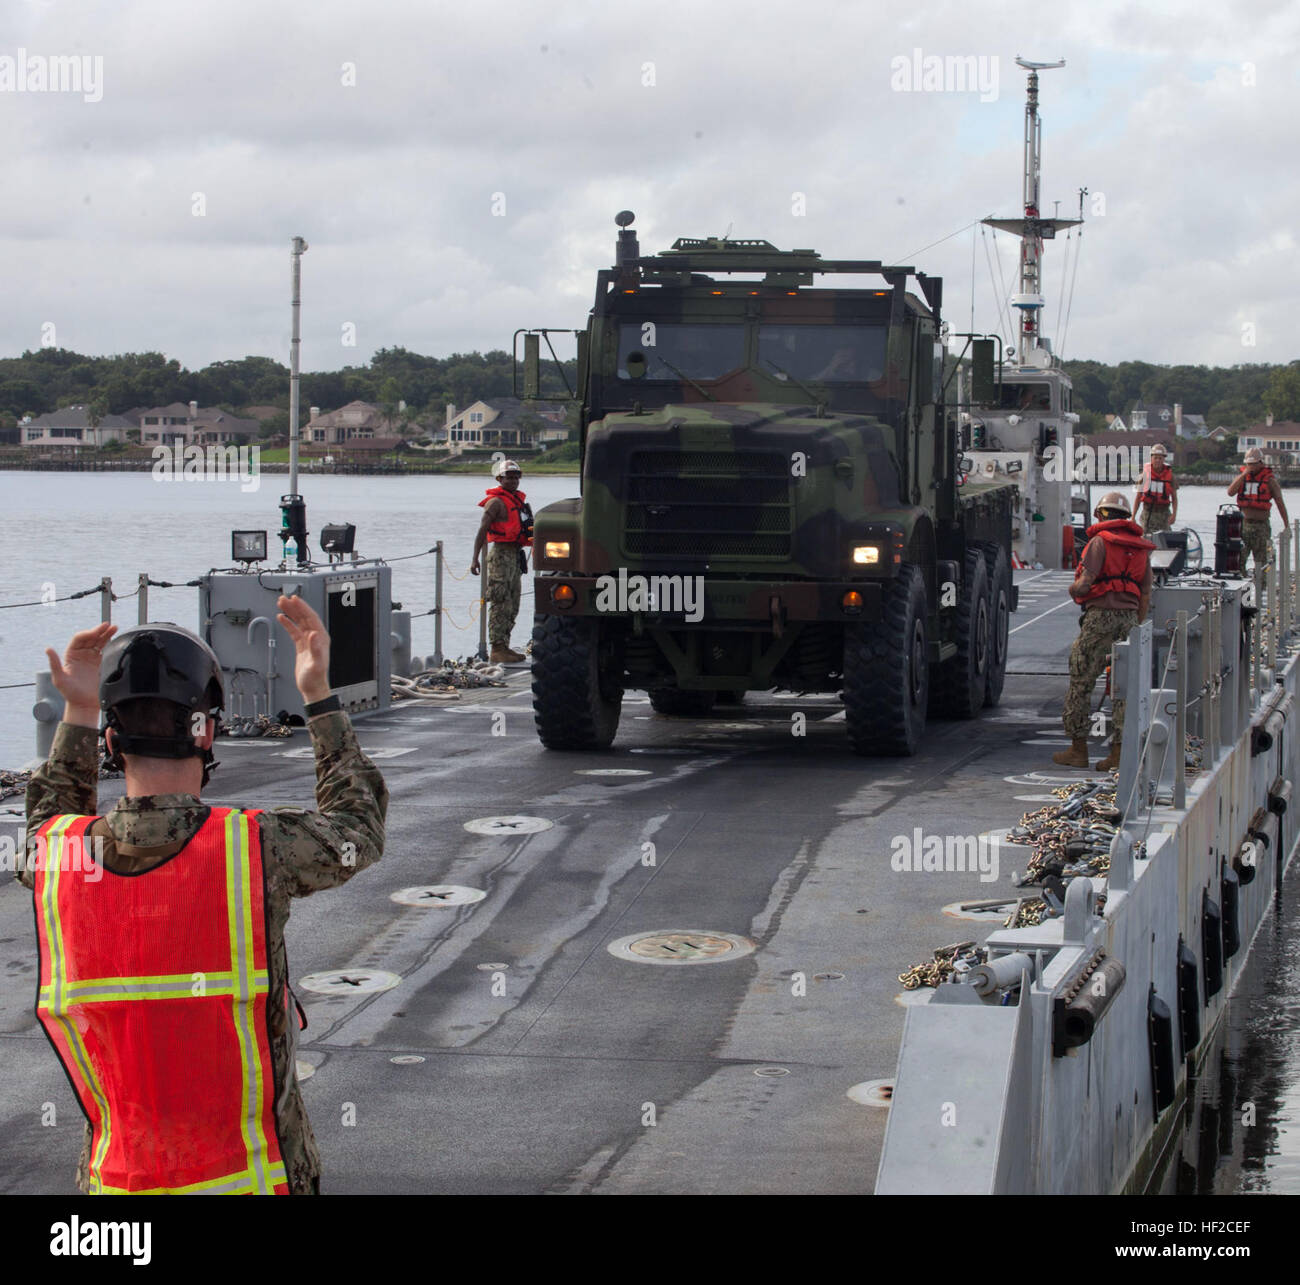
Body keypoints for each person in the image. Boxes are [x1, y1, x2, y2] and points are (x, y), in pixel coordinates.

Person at [22, 598, 387, 1195]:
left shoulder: (61, 856)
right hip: (253, 1179)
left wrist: (79, 710)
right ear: (206, 730)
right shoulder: (255, 846)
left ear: (112, 742)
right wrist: (317, 694)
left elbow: (48, 815)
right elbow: (358, 826)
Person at [1052, 492, 1154, 772]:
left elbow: (1085, 583)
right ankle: (1118, 755)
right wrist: (1134, 623)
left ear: (1101, 515)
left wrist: (1074, 591)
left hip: (1099, 620)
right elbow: (1145, 592)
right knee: (1123, 686)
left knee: (1081, 679)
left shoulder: (1099, 542)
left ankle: (1078, 750)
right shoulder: (1141, 549)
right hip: (1130, 620)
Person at [470, 458, 533, 663]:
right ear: (500, 479)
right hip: (500, 556)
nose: (513, 481)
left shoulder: (518, 501)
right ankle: (497, 648)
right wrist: (475, 559)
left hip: (515, 555)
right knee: (500, 600)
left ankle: (504, 645)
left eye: (516, 477)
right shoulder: (495, 502)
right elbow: (481, 530)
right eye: (509, 477)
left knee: (513, 602)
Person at [1227, 446, 1290, 574]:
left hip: (1261, 526)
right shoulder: (1242, 478)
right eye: (1249, 464)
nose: (1251, 467)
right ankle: (1242, 586)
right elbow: (1230, 492)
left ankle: (1262, 588)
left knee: (1262, 561)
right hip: (1244, 526)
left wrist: (1286, 525)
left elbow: (1280, 503)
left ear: (1261, 463)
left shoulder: (1270, 480)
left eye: (1254, 464)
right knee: (1238, 559)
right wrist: (1244, 474)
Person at [1133, 442, 1178, 535]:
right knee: (1145, 537)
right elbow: (1138, 498)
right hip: (1148, 514)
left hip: (1164, 514)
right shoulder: (1144, 476)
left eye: (1160, 458)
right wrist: (1133, 516)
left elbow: (1174, 498)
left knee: (1166, 538)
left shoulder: (1171, 477)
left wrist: (1174, 515)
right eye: (1155, 458)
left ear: (1164, 459)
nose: (1157, 460)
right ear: (1151, 459)